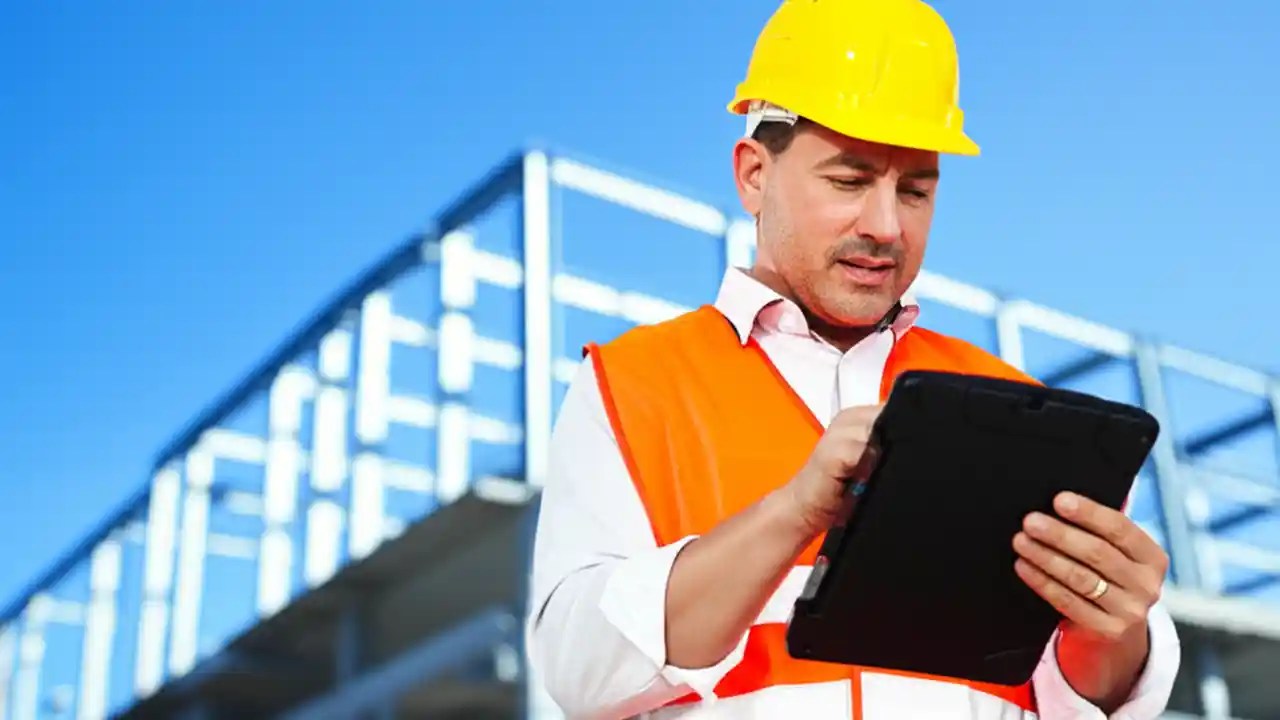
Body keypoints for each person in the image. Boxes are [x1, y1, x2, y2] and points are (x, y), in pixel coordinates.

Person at [524, 0, 1181, 717]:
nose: (886, 226)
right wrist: (792, 514)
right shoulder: (633, 385)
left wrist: (1115, 630)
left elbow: (1078, 691)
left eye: (916, 190)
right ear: (753, 175)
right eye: (849, 180)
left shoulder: (1013, 405)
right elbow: (576, 669)